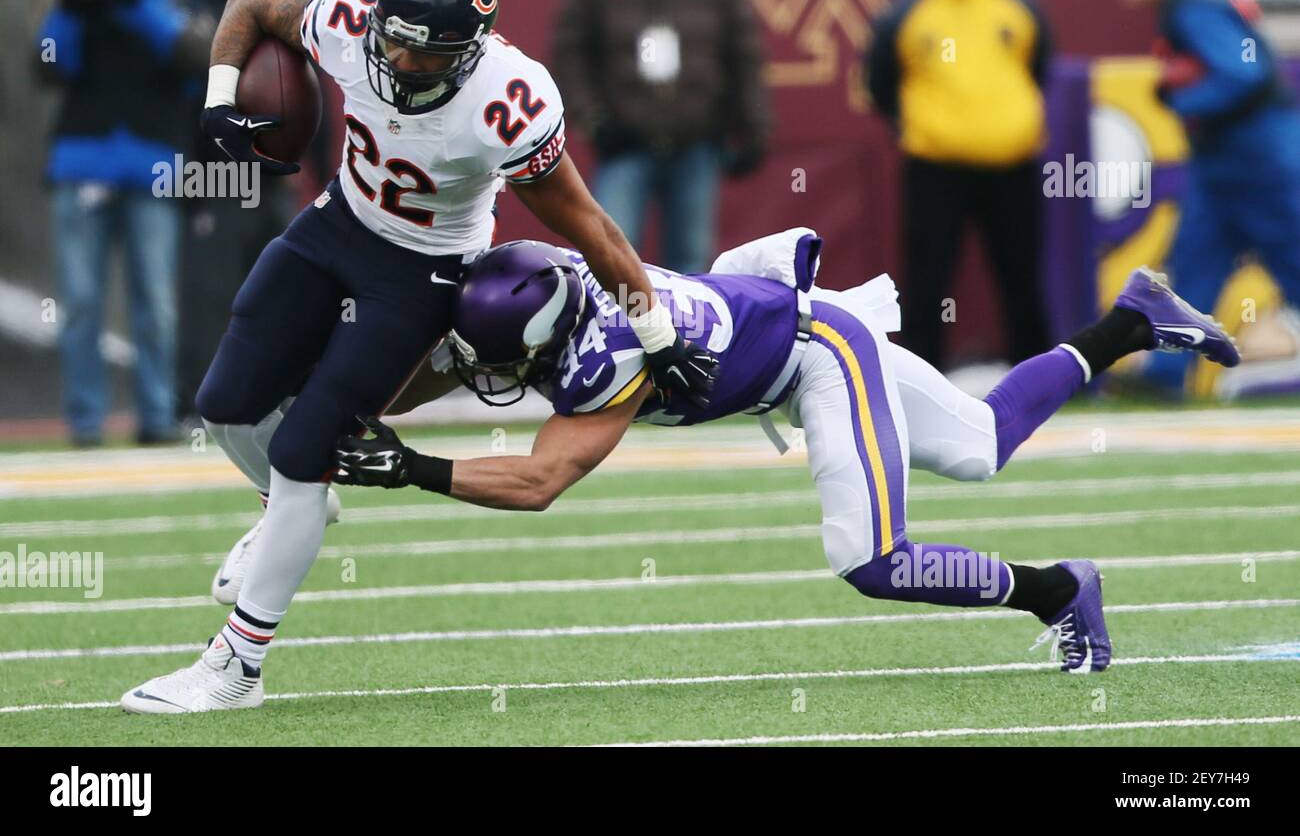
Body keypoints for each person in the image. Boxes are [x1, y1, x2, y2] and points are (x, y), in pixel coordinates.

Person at [185, 229, 1237, 711]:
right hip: (780, 331)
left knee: (870, 556)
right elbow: (447, 362)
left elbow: (541, 480)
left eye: (501, 361)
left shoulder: (602, 353)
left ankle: (1059, 589)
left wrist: (407, 467)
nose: (489, 375)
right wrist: (341, 410)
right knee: (977, 442)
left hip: (816, 356)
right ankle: (1129, 319)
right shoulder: (544, 290)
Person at [119, 0, 720, 714]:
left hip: (423, 271)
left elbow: (594, 230)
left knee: (309, 447)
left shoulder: (508, 104)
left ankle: (236, 666)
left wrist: (660, 335)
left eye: (419, 50)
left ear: (466, 54)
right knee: (226, 402)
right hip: (340, 221)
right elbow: (252, 4)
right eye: (390, 38)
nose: (395, 56)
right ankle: (286, 512)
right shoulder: (354, 7)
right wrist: (218, 100)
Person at [37, 0, 212, 445]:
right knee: (81, 301)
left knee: (155, 301)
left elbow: (194, 57)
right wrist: (72, 1)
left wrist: (134, 0)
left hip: (154, 171)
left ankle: (156, 417)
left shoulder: (181, 3)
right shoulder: (84, 7)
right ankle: (85, 422)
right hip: (82, 166)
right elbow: (47, 63)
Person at [1110, 0, 1300, 393]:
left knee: (1293, 257)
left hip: (1256, 156)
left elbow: (1244, 74)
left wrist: (1180, 99)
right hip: (1225, 159)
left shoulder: (1192, 3)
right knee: (1194, 261)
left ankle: (1168, 372)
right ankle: (1167, 374)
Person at [866, 0, 1052, 370]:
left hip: (1009, 164)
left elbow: (1040, 66)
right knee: (927, 279)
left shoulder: (1017, 4)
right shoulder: (909, 11)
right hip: (937, 167)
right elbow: (880, 84)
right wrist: (923, 125)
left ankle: (1040, 376)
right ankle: (920, 376)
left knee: (1021, 275)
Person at [552, 0, 769, 274]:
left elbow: (744, 54)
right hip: (624, 144)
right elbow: (569, 54)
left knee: (690, 263)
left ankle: (684, 337)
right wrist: (594, 121)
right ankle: (616, 335)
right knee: (611, 256)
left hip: (696, 143)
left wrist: (752, 127)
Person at [177, 0, 297, 424]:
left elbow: (303, 84)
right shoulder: (187, 1)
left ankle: (278, 398)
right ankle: (200, 408)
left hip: (272, 169)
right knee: (210, 293)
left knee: (284, 288)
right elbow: (176, 86)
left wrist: (315, 161)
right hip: (214, 171)